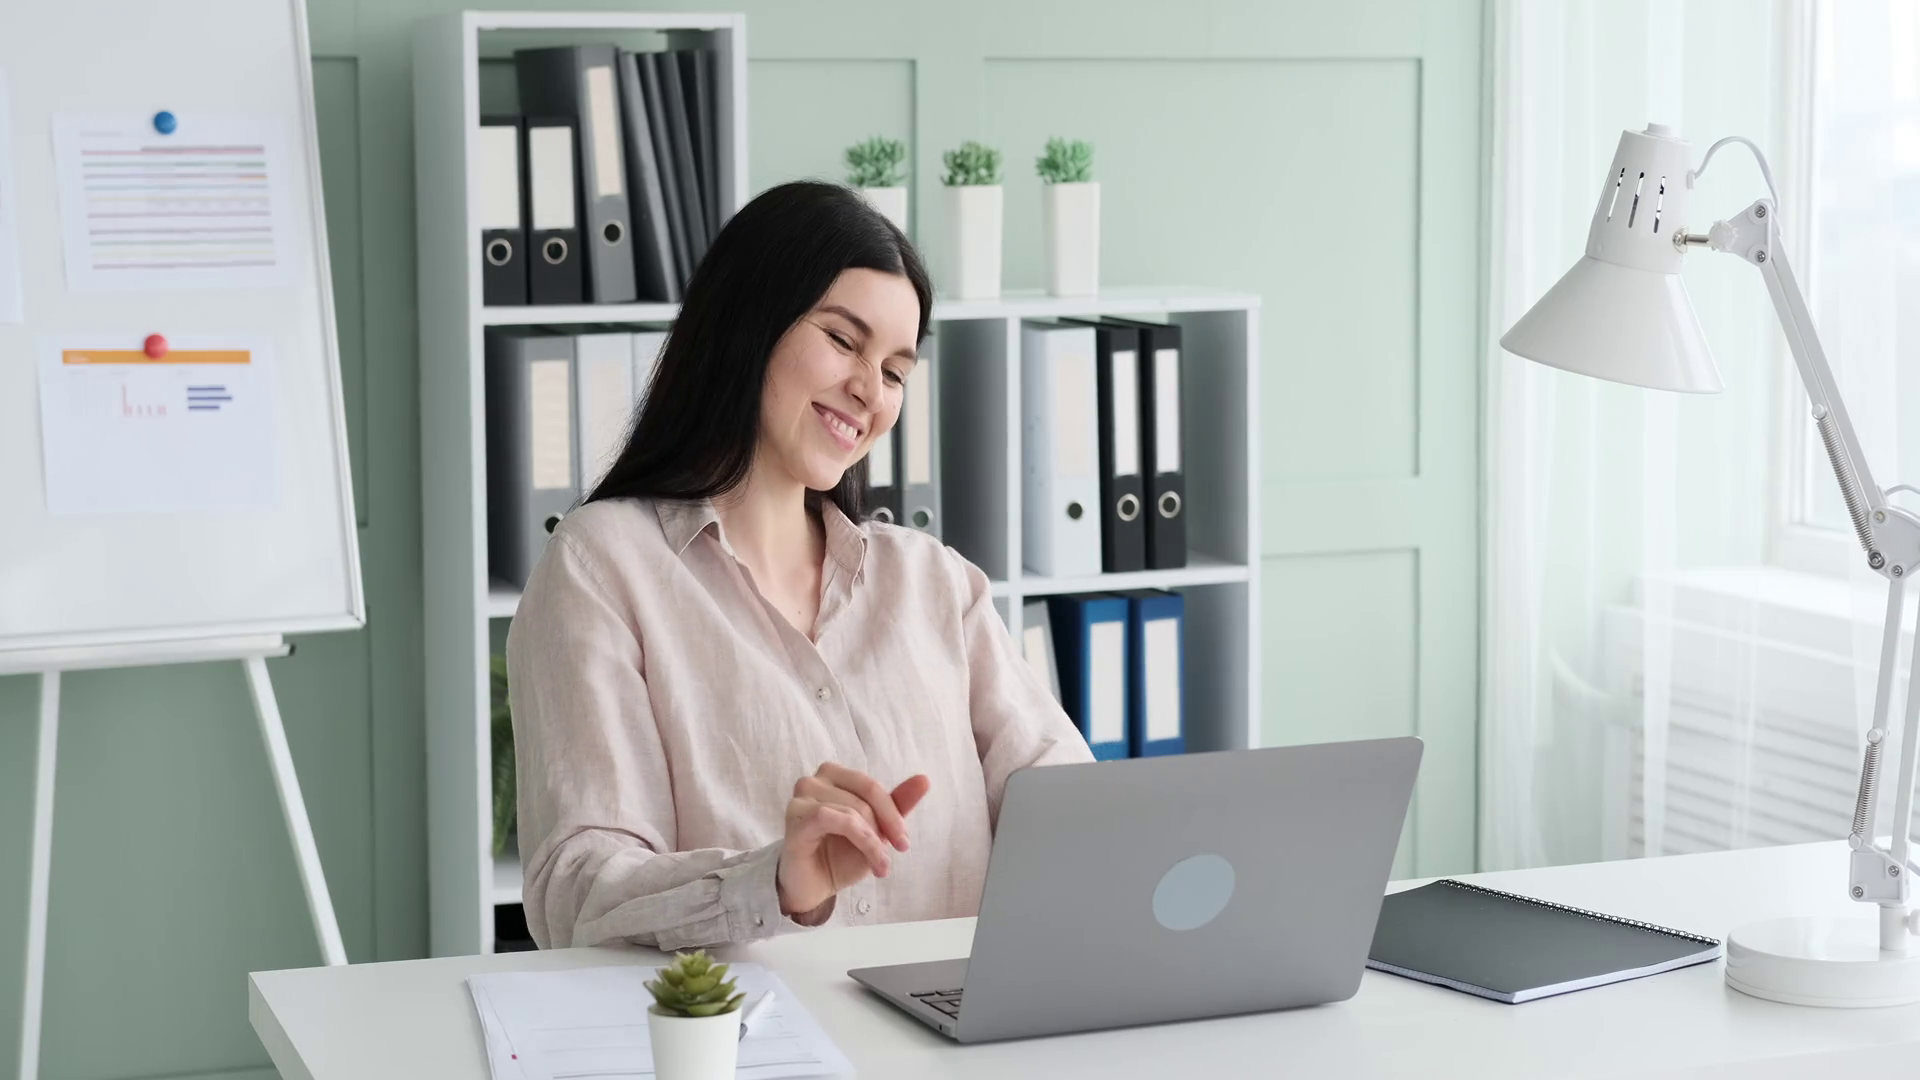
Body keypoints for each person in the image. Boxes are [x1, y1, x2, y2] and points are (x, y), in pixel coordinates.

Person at [505, 180, 1092, 952]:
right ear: (749, 323)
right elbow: (577, 889)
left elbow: (1077, 806)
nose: (868, 390)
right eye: (844, 341)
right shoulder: (602, 564)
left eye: (894, 372)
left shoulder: (935, 584)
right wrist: (776, 880)